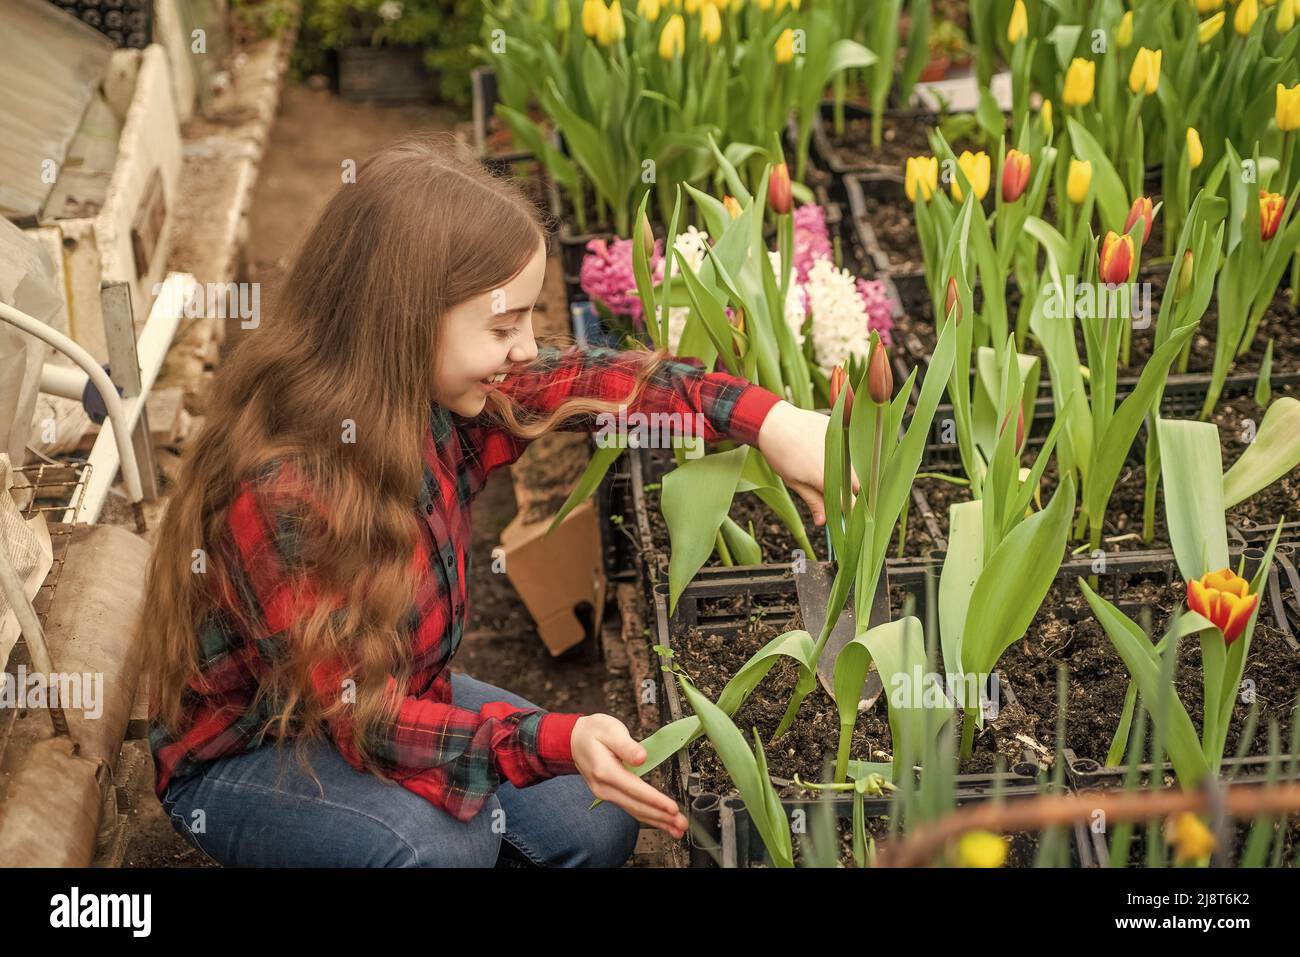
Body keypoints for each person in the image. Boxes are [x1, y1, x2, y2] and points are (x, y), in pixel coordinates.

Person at [139, 134, 835, 868]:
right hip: (261, 748)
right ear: (403, 320)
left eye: (529, 319)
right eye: (504, 326)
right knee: (444, 846)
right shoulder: (288, 492)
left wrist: (770, 421)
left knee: (595, 821)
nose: (527, 347)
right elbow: (365, 719)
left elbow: (588, 380)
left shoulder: (432, 399)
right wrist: (553, 738)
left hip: (403, 690)